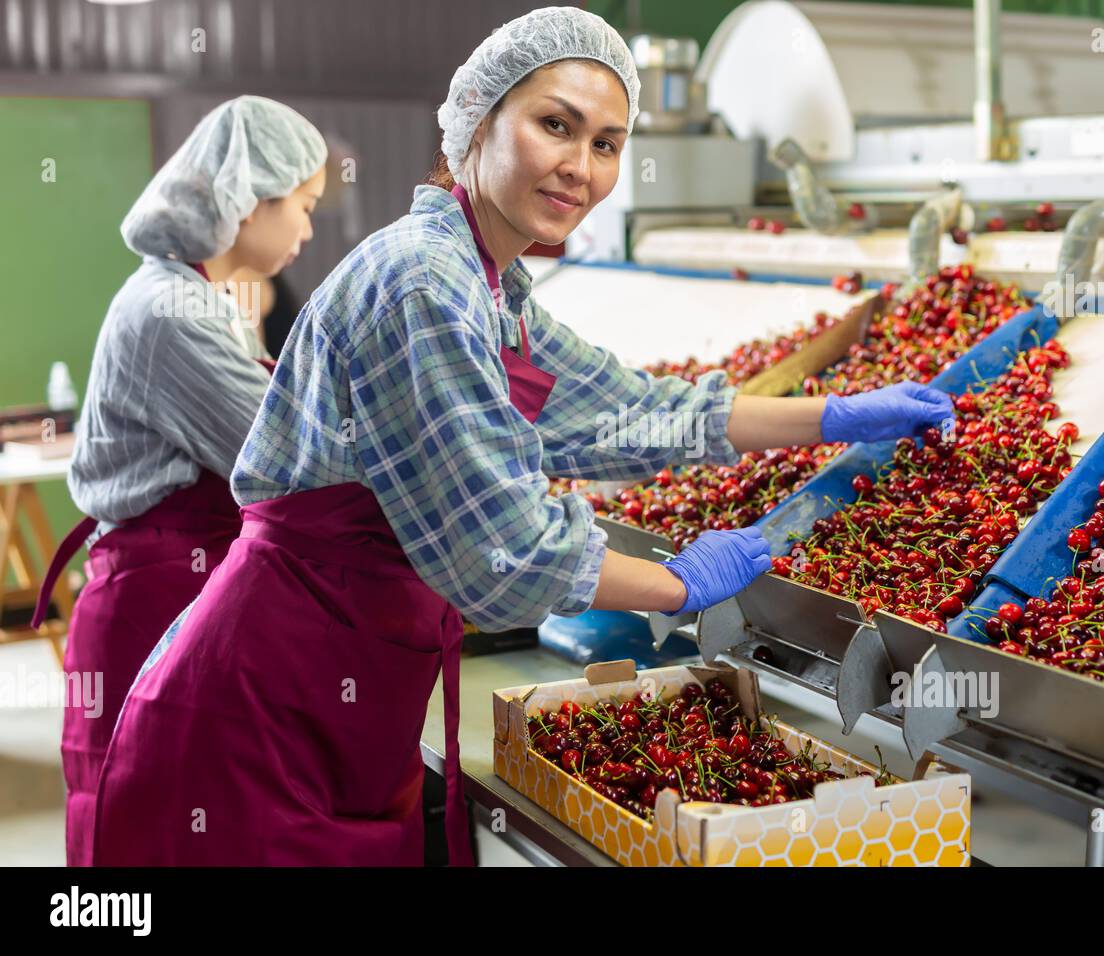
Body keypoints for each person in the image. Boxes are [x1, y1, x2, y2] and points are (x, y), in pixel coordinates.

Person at [92, 7, 952, 866]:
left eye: (609, 144)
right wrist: (676, 584)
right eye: (555, 126)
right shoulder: (425, 285)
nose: (581, 167)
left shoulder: (488, 285)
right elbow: (502, 551)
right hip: (265, 709)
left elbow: (632, 408)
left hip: (341, 696)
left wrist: (835, 416)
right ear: (478, 117)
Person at [30, 96, 326, 867]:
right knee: (142, 834)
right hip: (148, 609)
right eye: (304, 204)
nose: (308, 228)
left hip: (178, 604)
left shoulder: (200, 300)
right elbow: (295, 460)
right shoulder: (172, 313)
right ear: (252, 196)